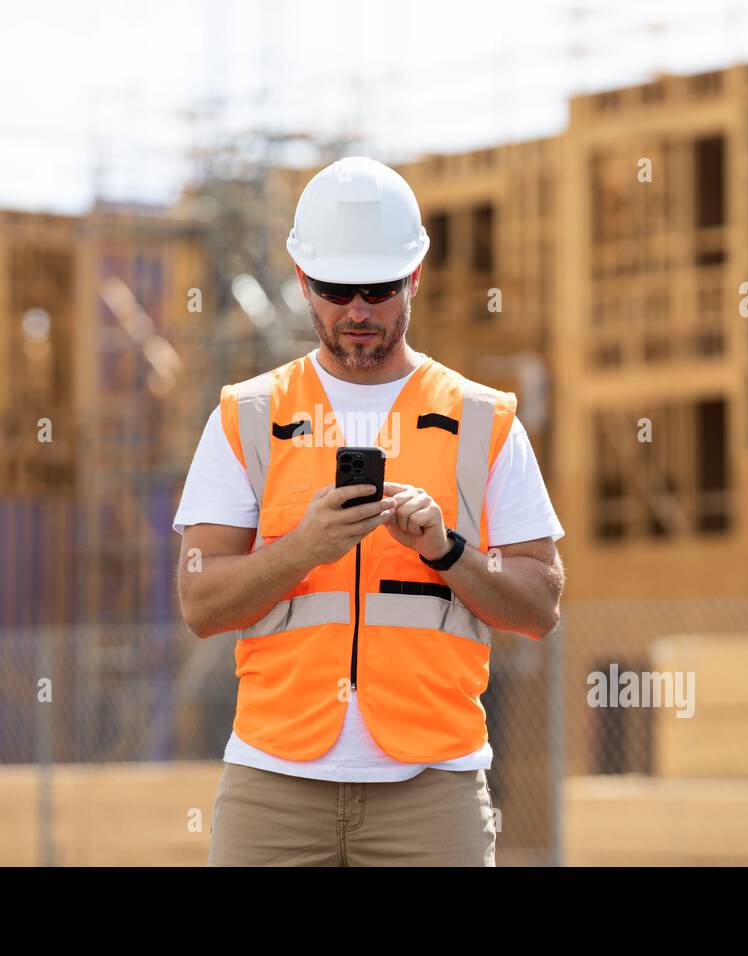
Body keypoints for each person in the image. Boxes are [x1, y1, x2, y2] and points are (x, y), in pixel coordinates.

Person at [174, 156, 564, 866]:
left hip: (433, 789)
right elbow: (200, 602)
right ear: (302, 282)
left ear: (414, 276)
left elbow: (540, 604)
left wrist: (447, 550)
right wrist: (303, 547)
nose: (357, 311)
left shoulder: (483, 421)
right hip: (273, 785)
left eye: (378, 290)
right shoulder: (248, 416)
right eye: (335, 289)